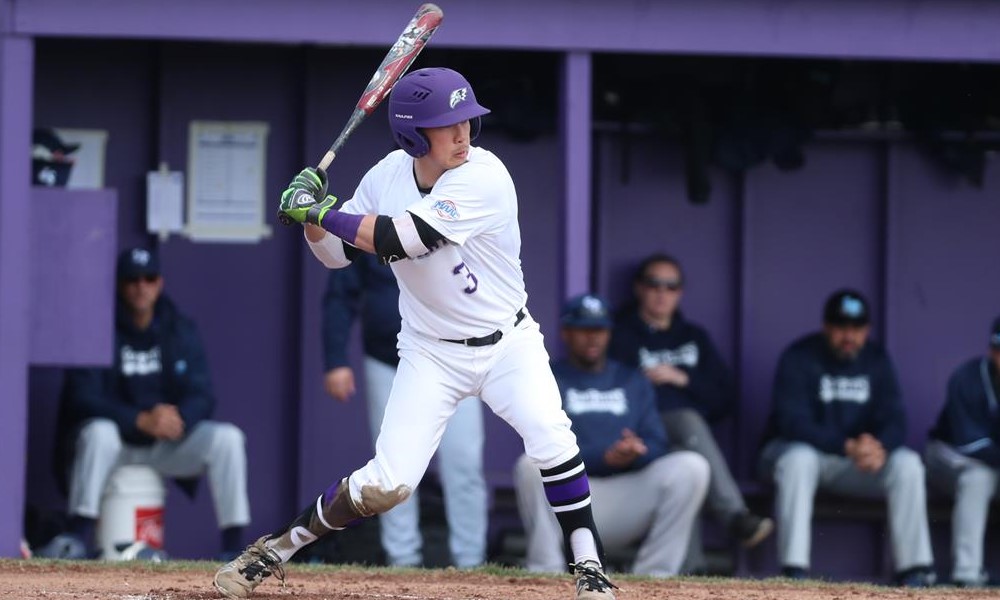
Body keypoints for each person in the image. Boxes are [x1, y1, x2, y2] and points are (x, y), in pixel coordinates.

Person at [215, 67, 618, 600]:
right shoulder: (386, 175)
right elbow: (334, 256)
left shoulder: (486, 175)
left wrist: (321, 209)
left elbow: (406, 238)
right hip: (430, 353)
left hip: (507, 344)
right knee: (388, 483)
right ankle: (274, 550)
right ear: (411, 135)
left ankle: (589, 569)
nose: (462, 135)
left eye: (467, 121)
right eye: (447, 125)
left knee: (551, 437)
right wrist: (312, 217)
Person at [39, 247, 251, 560]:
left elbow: (203, 394)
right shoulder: (99, 328)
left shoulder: (178, 328)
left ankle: (234, 547)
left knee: (228, 439)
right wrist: (138, 419)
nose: (141, 286)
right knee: (99, 432)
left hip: (166, 445)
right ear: (120, 285)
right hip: (116, 445)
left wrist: (178, 418)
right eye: (132, 279)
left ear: (159, 283)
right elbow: (81, 397)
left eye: (149, 278)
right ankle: (76, 536)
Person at [514, 293, 709, 577]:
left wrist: (636, 452)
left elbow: (657, 441)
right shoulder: (548, 377)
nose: (593, 338)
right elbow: (538, 440)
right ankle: (547, 572)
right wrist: (604, 456)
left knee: (692, 466)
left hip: (627, 495)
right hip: (568, 495)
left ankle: (654, 576)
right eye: (584, 330)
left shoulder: (632, 380)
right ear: (566, 333)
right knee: (528, 465)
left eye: (600, 330)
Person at [758, 289, 935, 586]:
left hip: (857, 462)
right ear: (826, 326)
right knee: (798, 459)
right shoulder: (800, 356)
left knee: (907, 464)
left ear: (867, 330)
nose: (849, 336)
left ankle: (914, 571)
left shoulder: (876, 359)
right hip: (804, 457)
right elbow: (792, 422)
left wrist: (879, 447)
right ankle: (794, 571)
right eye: (841, 327)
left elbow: (895, 418)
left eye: (856, 328)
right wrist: (847, 445)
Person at [607, 253, 772, 567]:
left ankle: (689, 572)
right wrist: (641, 385)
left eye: (671, 286)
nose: (662, 292)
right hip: (642, 435)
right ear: (639, 288)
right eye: (654, 284)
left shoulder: (693, 337)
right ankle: (735, 514)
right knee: (687, 423)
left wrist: (682, 378)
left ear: (680, 292)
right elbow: (611, 392)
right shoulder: (621, 336)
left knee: (690, 463)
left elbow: (725, 398)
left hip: (689, 440)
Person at [321, 256, 487, 568]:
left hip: (458, 357)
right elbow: (341, 294)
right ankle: (402, 560)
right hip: (389, 359)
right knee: (393, 468)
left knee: (463, 465)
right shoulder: (376, 216)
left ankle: (471, 563)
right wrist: (335, 360)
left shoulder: (456, 211)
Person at [924, 315, 1000, 587]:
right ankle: (967, 576)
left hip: (993, 464)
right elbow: (970, 444)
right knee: (978, 478)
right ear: (992, 350)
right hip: (949, 455)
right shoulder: (967, 377)